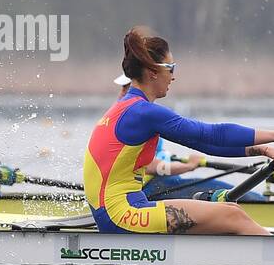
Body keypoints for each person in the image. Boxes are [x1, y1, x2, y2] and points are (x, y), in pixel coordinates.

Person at [82, 27, 274, 235]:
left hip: (116, 211)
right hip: (123, 214)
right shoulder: (143, 112)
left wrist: (265, 150)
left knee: (225, 212)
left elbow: (208, 144)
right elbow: (212, 135)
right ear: (153, 71)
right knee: (233, 215)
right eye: (171, 68)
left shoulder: (126, 108)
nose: (173, 76)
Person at [107, 73, 253, 201]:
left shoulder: (137, 114)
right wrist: (188, 166)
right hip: (147, 188)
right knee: (229, 192)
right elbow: (151, 167)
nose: (121, 94)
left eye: (125, 88)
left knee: (224, 190)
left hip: (158, 183)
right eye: (123, 88)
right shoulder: (134, 118)